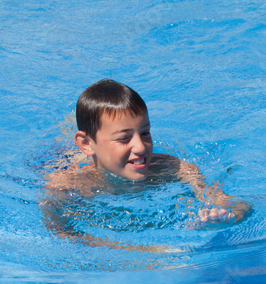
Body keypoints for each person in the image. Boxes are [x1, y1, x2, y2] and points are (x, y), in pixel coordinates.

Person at [43, 79, 250, 249]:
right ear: (86, 144)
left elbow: (237, 204)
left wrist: (226, 217)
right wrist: (146, 251)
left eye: (145, 133)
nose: (141, 147)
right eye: (124, 138)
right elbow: (64, 236)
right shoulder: (67, 186)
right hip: (62, 159)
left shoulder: (174, 168)